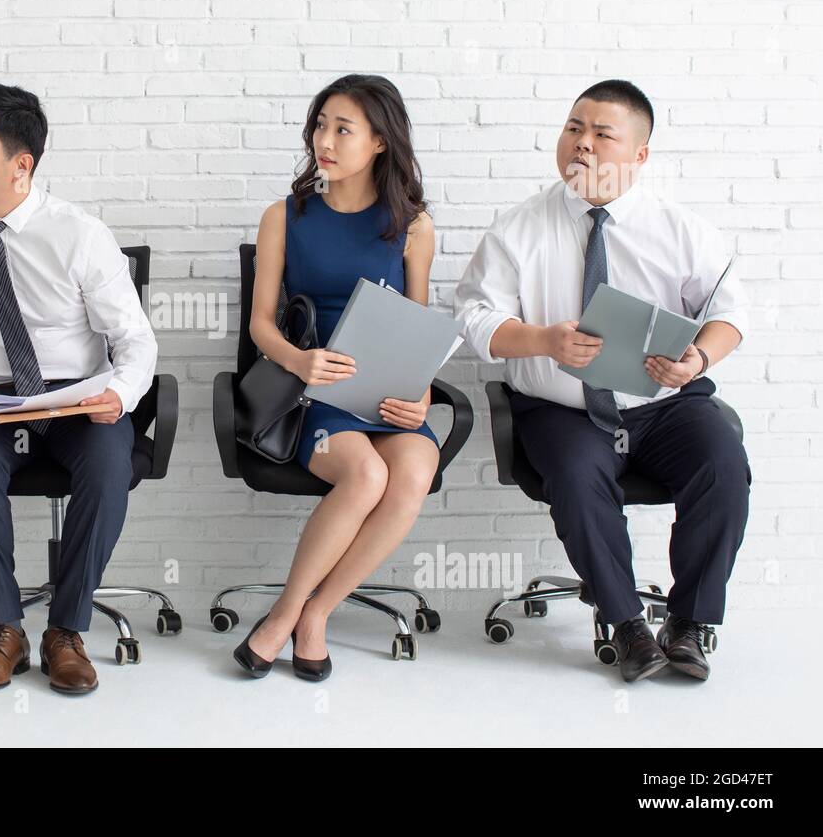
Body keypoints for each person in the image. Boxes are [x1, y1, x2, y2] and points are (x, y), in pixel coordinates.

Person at [454, 79, 751, 683]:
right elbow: (472, 317)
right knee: (576, 473)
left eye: (601, 134)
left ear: (639, 154)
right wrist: (542, 339)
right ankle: (627, 625)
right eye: (573, 128)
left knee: (722, 462)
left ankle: (689, 625)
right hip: (561, 409)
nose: (582, 144)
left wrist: (696, 360)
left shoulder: (682, 230)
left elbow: (730, 315)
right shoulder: (518, 228)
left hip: (663, 404)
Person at [0, 84, 156, 695]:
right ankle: (4, 630)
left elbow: (136, 341)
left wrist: (118, 396)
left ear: (22, 164)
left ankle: (66, 631)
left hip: (76, 400)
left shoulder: (81, 234)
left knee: (105, 468)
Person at [232, 74, 441, 682]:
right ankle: (283, 616)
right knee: (365, 472)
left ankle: (317, 612)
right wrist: (300, 362)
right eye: (320, 124)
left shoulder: (415, 225)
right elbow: (261, 327)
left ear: (380, 141)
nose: (324, 139)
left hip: (389, 394)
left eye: (342, 128)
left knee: (412, 474)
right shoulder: (285, 216)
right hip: (315, 392)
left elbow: (419, 324)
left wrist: (421, 389)